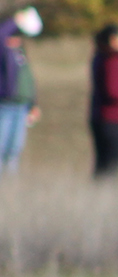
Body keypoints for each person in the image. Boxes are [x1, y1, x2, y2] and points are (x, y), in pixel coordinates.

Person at [88, 22, 118, 179]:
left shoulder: (100, 58)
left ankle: (99, 196)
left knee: (102, 164)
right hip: (111, 119)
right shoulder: (111, 61)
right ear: (113, 40)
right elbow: (113, 92)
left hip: (100, 117)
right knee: (110, 166)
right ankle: (105, 198)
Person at [0, 8, 41, 176]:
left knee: (15, 149)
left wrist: (33, 104)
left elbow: (28, 81)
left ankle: (9, 188)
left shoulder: (20, 54)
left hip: (21, 106)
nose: (17, 39)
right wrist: (14, 21)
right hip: (5, 105)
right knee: (1, 147)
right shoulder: (4, 52)